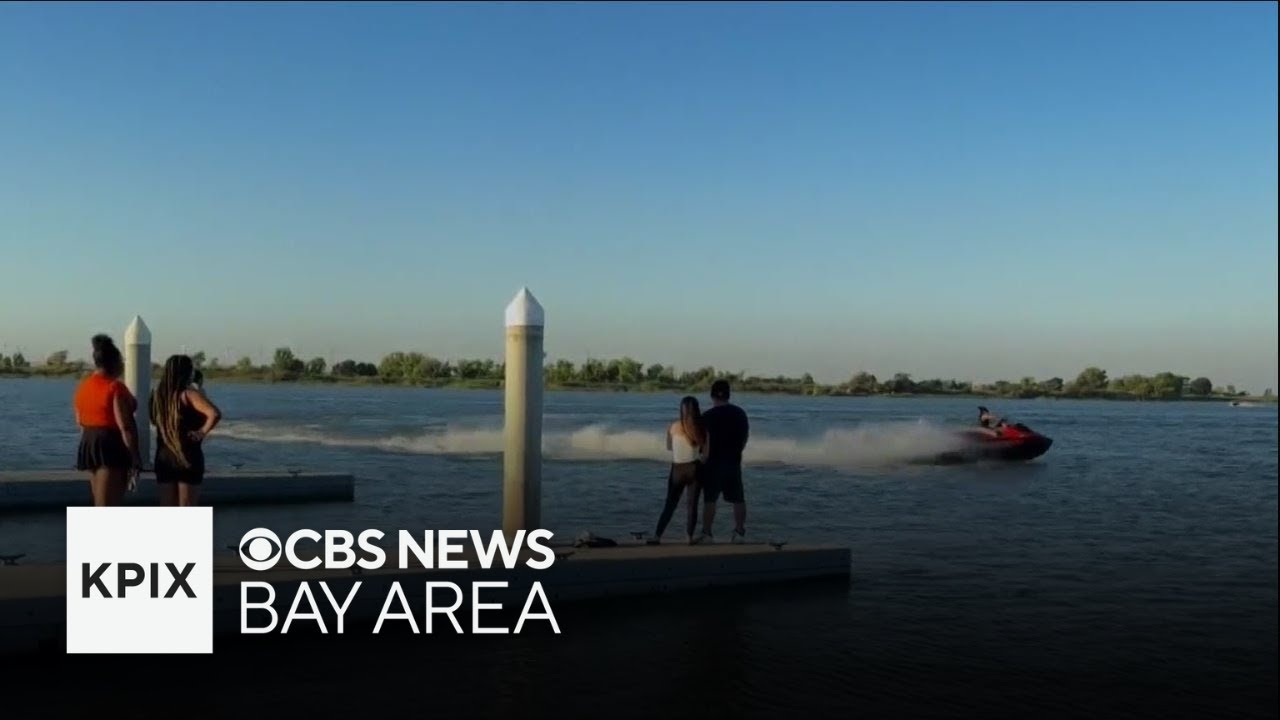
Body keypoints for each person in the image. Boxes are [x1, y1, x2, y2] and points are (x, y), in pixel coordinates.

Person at [73, 334, 142, 506]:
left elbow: (80, 420)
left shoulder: (84, 386)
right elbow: (124, 426)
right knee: (109, 504)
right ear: (113, 363)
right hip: (110, 444)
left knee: (99, 500)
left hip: (89, 442)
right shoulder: (114, 387)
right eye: (121, 361)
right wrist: (135, 456)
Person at [150, 354, 222, 506]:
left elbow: (153, 420)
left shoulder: (156, 396)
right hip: (187, 454)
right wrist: (201, 432)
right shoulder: (189, 395)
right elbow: (214, 413)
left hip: (164, 455)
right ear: (186, 373)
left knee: (167, 506)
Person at [649, 396, 708, 545]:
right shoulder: (702, 429)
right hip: (695, 468)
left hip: (677, 469)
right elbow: (706, 455)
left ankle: (657, 536)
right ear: (697, 409)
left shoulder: (673, 427)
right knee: (692, 505)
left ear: (681, 409)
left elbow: (669, 448)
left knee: (670, 504)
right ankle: (688, 538)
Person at [699, 379, 750, 543]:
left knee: (710, 500)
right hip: (733, 462)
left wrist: (702, 458)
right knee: (738, 499)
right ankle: (739, 532)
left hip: (712, 463)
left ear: (712, 395)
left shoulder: (706, 416)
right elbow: (744, 438)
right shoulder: (740, 413)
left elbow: (701, 443)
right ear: (729, 395)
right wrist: (737, 452)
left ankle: (707, 534)